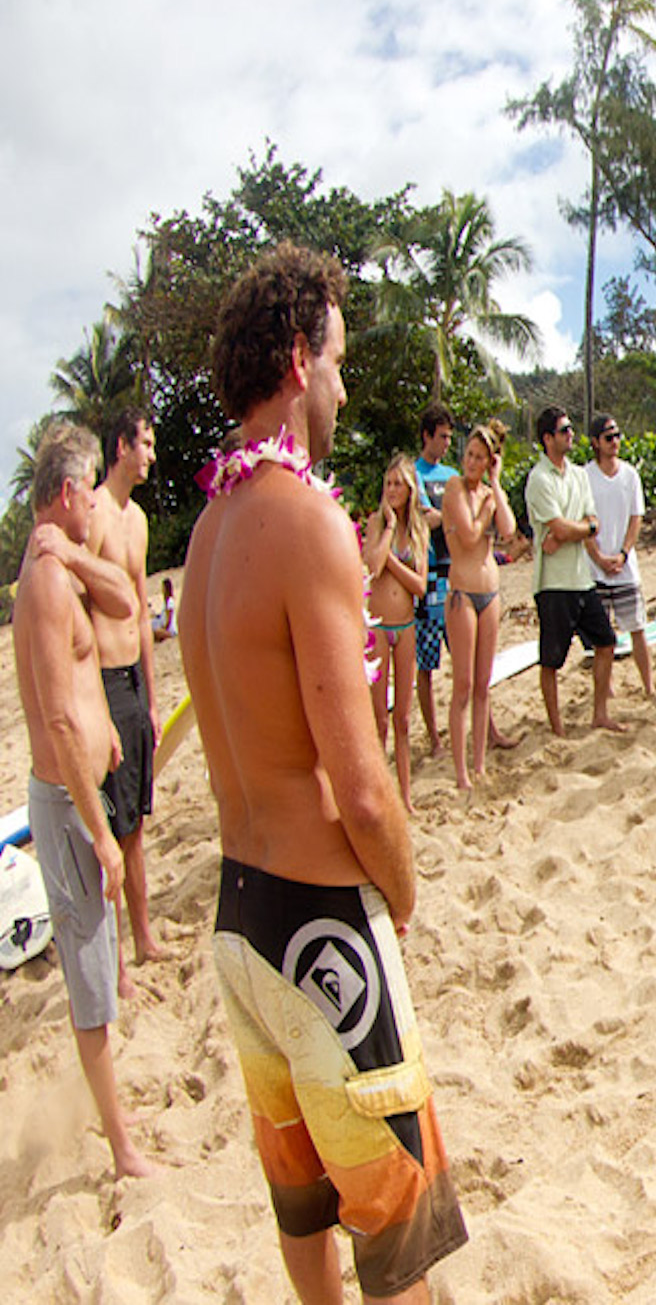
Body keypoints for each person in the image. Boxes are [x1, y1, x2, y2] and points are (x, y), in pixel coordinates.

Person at [183, 244, 467, 1299]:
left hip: (240, 919)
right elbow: (359, 787)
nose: (343, 389)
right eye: (338, 362)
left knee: (302, 1209)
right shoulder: (303, 518)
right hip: (320, 928)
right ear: (300, 359)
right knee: (398, 1238)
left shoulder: (208, 532)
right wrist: (402, 889)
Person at [15, 422, 152, 1179]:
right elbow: (59, 718)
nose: (96, 503)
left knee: (99, 964)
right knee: (92, 980)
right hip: (69, 806)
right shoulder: (42, 585)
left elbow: (124, 603)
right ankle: (122, 1148)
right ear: (68, 492)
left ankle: (110, 1118)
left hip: (84, 791)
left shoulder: (61, 565)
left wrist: (73, 554)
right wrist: (100, 832)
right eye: (88, 490)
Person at [86, 409, 166, 974]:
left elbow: (140, 612)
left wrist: (153, 700)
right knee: (111, 827)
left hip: (134, 681)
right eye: (147, 444)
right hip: (103, 682)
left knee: (135, 821)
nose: (152, 456)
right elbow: (80, 618)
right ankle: (113, 961)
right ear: (122, 447)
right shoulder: (91, 515)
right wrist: (97, 708)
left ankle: (143, 938)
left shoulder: (136, 519)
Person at [526, 404, 626, 737]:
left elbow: (590, 522)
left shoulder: (579, 475)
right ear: (547, 438)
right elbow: (561, 527)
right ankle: (557, 727)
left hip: (582, 578)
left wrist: (573, 531)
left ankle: (600, 714)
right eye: (564, 430)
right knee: (552, 659)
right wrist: (575, 529)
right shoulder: (539, 479)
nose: (571, 434)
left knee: (606, 642)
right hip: (553, 583)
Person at [443, 422, 522, 793]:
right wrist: (486, 505)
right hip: (462, 592)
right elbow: (471, 534)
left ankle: (479, 764)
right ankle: (461, 771)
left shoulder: (490, 492)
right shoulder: (454, 488)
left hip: (490, 591)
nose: (472, 462)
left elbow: (508, 530)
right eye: (469, 455)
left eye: (480, 457)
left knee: (482, 685)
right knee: (462, 684)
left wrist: (496, 485)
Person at [362, 454, 427, 808]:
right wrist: (388, 528)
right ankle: (379, 795)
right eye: (387, 483)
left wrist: (391, 561)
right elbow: (372, 567)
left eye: (397, 484)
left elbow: (419, 586)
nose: (391, 490)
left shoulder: (418, 529)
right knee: (379, 720)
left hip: (405, 626)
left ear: (410, 488)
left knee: (402, 718)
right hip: (379, 627)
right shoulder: (377, 523)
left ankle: (405, 796)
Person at [585, 413, 654, 699]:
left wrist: (624, 553)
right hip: (595, 568)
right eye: (608, 437)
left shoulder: (630, 475)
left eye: (617, 435)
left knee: (637, 628)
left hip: (625, 567)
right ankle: (606, 689)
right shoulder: (585, 476)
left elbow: (636, 518)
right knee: (602, 637)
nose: (615, 441)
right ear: (595, 442)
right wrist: (598, 557)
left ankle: (649, 687)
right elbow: (583, 521)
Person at [411, 404, 455, 758]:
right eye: (442, 436)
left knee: (466, 655)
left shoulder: (452, 475)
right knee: (426, 663)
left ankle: (487, 728)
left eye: (449, 437)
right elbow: (427, 518)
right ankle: (434, 738)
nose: (446, 443)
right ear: (427, 435)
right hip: (428, 576)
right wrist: (453, 516)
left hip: (456, 571)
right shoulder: (413, 474)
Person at [152, 577, 178, 641]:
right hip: (166, 627)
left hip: (170, 630)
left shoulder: (170, 602)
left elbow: (169, 619)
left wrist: (165, 628)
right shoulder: (166, 602)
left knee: (155, 633)